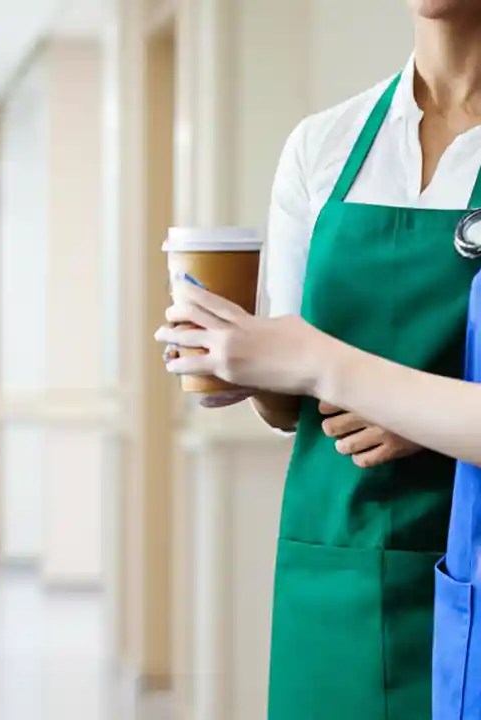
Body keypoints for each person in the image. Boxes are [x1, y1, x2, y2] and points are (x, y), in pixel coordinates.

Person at [155, 2, 481, 718]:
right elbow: (291, 391)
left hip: (470, 551)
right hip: (331, 560)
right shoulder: (323, 145)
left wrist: (413, 412)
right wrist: (234, 365)